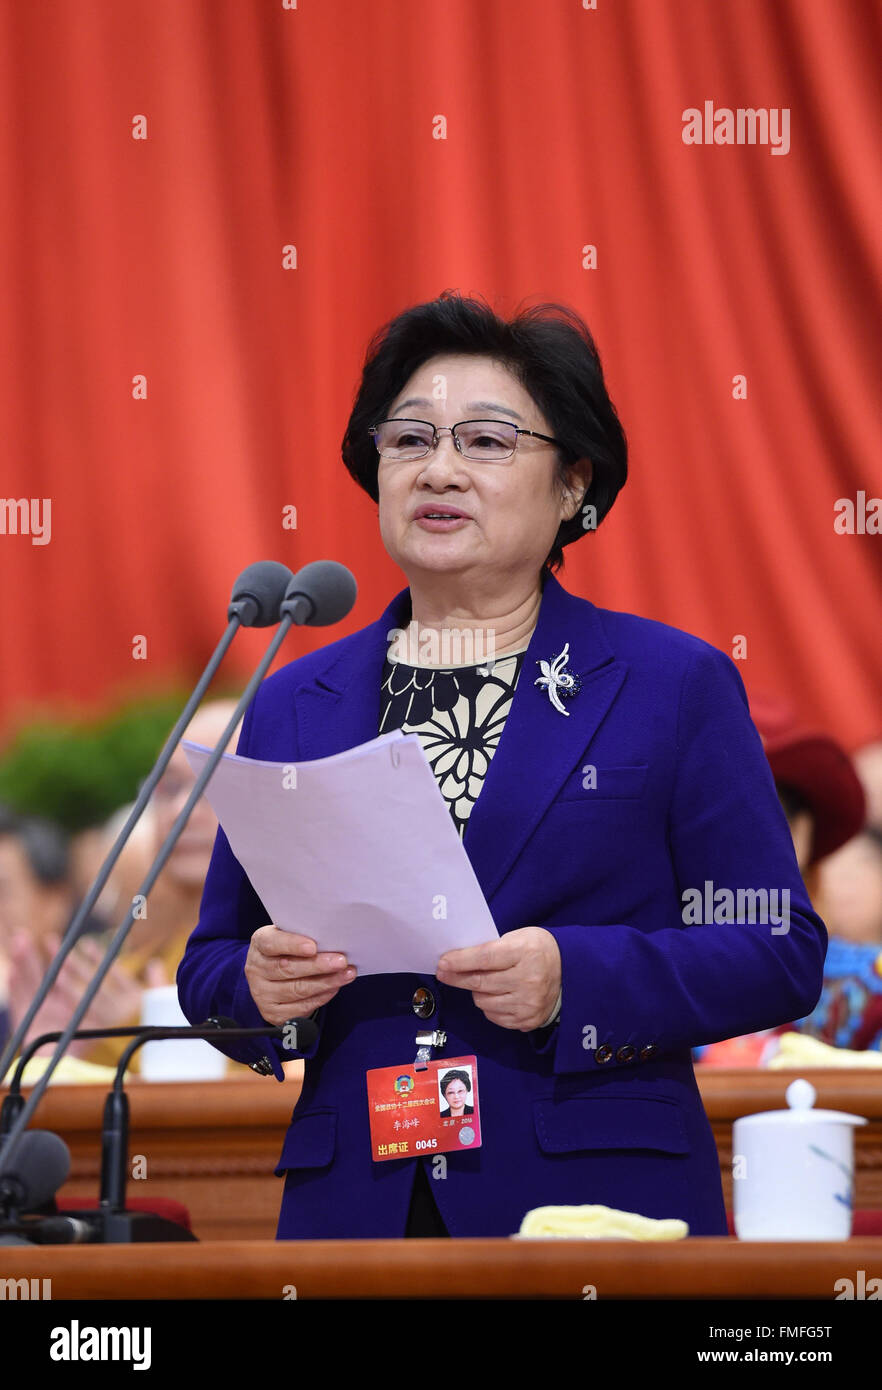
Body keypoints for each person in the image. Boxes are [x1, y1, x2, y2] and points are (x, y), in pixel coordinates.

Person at [177, 290, 826, 1239]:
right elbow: (211, 966)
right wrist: (257, 992)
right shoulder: (294, 700)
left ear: (573, 484)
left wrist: (577, 977)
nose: (439, 469)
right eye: (408, 440)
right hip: (357, 1210)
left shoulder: (669, 684)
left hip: (591, 1203)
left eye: (486, 442)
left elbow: (777, 947)